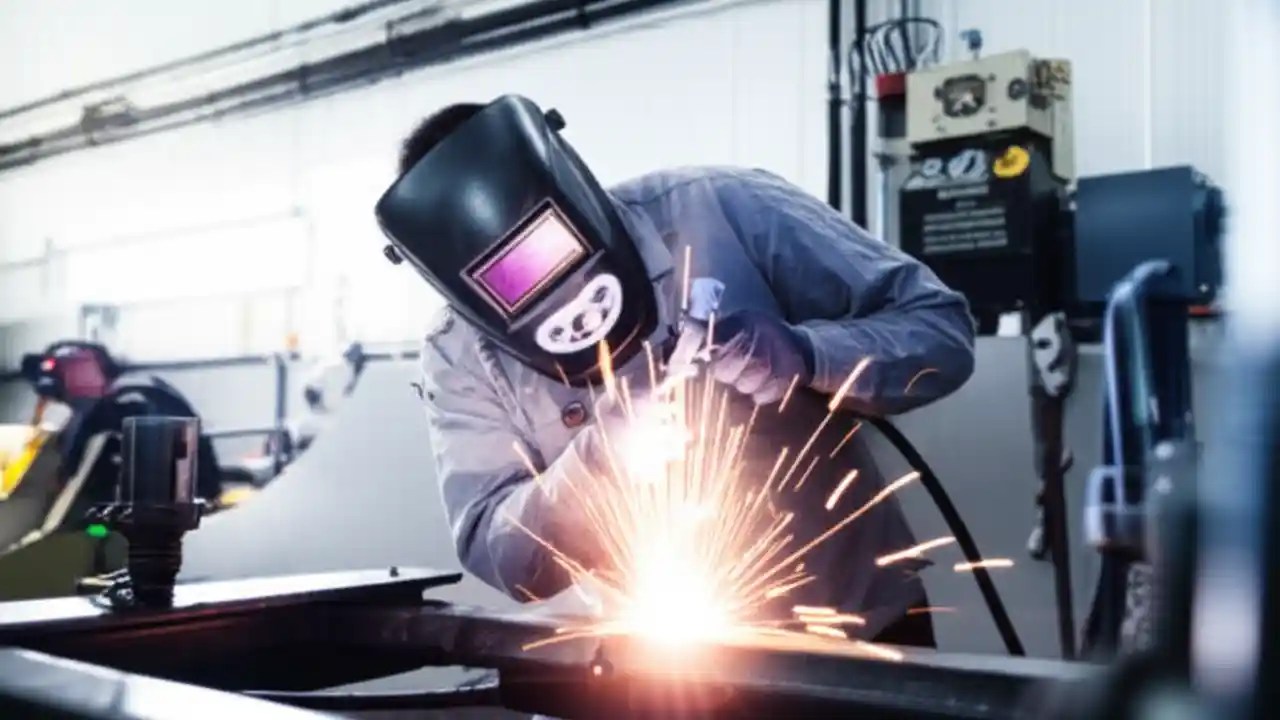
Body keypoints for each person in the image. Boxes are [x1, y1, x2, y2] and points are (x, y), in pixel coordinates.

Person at [376, 96, 975, 648]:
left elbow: (941, 330)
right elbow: (501, 555)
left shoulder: (723, 206)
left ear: (568, 186)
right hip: (665, 664)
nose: (575, 311)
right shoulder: (459, 354)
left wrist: (810, 353)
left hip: (860, 629)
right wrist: (597, 463)